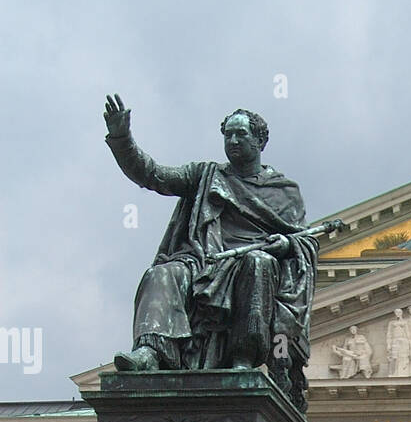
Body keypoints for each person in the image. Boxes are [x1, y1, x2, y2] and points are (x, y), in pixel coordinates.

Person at [103, 95, 326, 402]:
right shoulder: (205, 175)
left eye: (241, 134)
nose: (233, 140)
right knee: (163, 273)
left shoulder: (284, 191)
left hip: (254, 262)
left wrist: (286, 243)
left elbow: (304, 242)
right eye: (227, 135)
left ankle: (243, 358)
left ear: (260, 140)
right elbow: (151, 174)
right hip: (204, 259)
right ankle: (151, 351)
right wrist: (121, 138)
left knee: (257, 263)